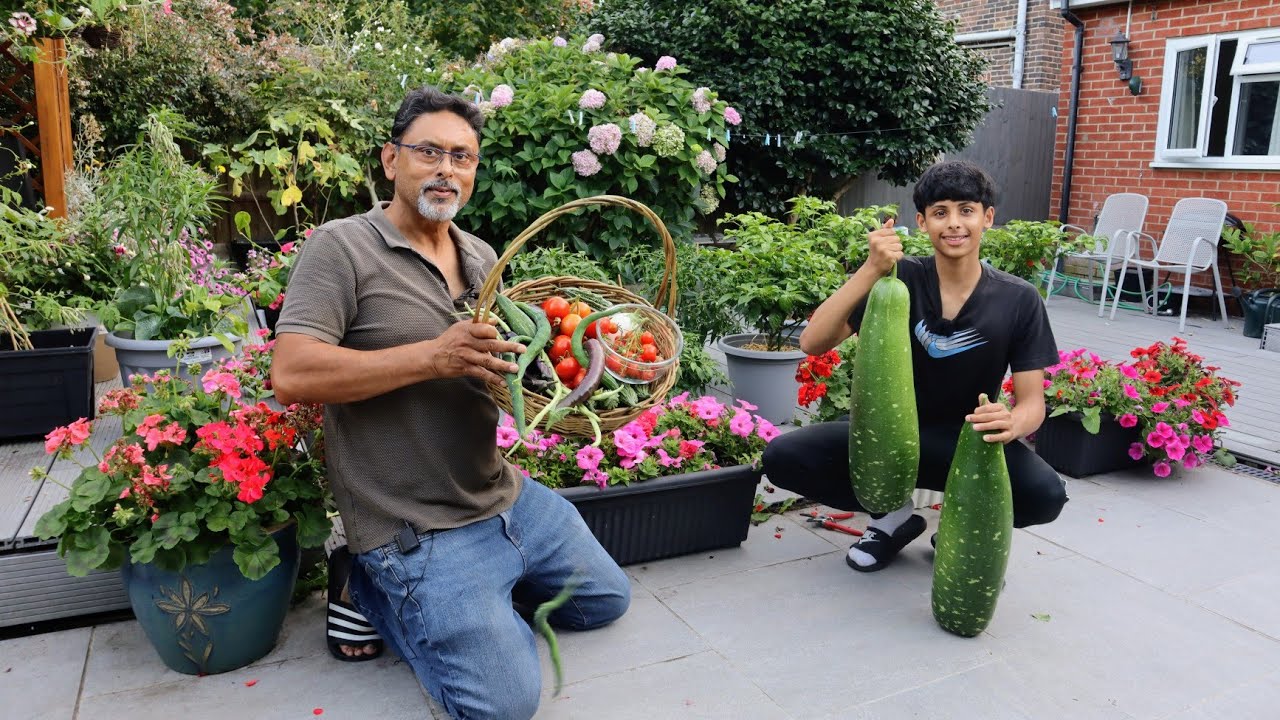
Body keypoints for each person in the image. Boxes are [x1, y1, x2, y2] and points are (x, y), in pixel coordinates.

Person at [271, 86, 630, 719]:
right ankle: (367, 585)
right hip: (414, 525)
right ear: (390, 160)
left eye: (462, 157)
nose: (447, 170)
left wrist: (576, 375)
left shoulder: (480, 255)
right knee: (503, 705)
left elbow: (507, 362)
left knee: (602, 602)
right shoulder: (341, 247)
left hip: (501, 495)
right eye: (429, 152)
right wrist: (431, 358)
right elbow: (292, 374)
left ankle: (476, 599)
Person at [762, 160, 1067, 572]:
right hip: (884, 440)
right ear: (922, 223)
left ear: (987, 218)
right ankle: (893, 521)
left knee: (1045, 495)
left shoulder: (1019, 299)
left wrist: (1013, 423)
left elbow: (1033, 403)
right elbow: (813, 341)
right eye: (940, 213)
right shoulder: (897, 280)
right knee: (784, 456)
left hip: (968, 444)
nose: (954, 223)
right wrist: (871, 269)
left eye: (966, 210)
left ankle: (960, 527)